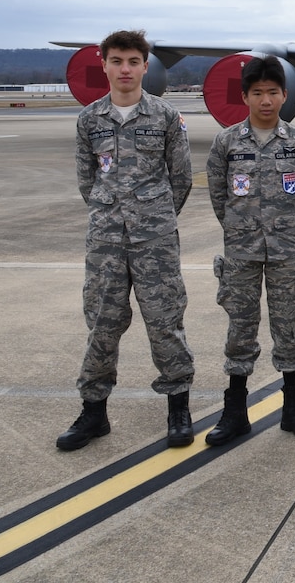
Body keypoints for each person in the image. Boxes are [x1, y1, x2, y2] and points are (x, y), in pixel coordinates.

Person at [57, 29, 196, 451]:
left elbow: (182, 179)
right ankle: (94, 412)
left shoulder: (166, 117)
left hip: (155, 239)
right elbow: (87, 181)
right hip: (105, 242)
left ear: (145, 66)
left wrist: (151, 216)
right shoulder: (89, 119)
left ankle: (178, 406)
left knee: (165, 322)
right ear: (104, 64)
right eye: (117, 61)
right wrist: (110, 214)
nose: (125, 69)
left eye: (133, 61)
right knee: (102, 323)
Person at [204, 55, 295, 446]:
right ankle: (235, 412)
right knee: (240, 329)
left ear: (284, 95)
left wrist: (286, 230)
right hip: (241, 250)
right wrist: (241, 230)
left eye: (273, 92)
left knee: (287, 328)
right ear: (245, 96)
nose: (266, 100)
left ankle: (294, 409)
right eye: (258, 93)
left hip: (286, 250)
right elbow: (219, 196)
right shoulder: (226, 142)